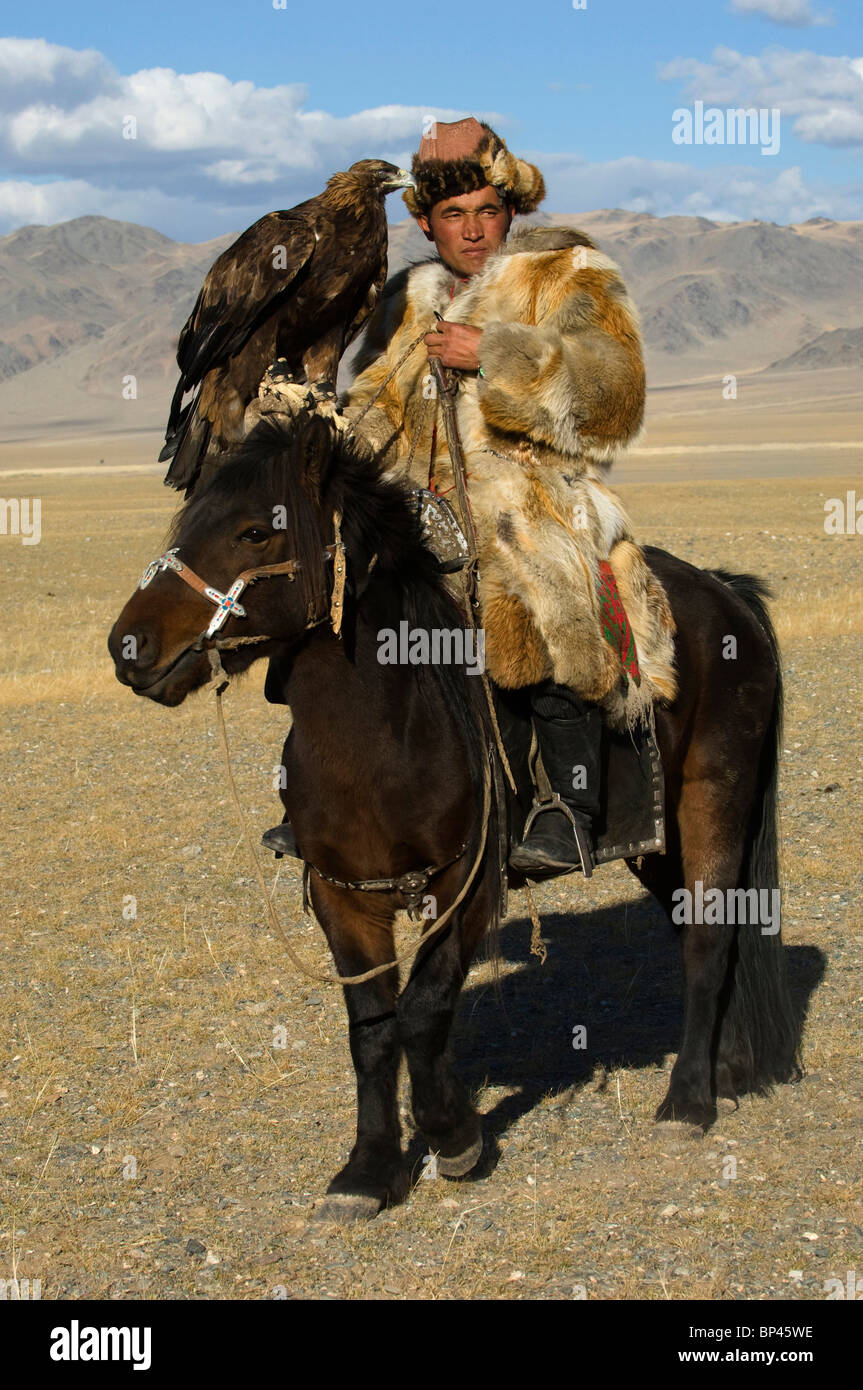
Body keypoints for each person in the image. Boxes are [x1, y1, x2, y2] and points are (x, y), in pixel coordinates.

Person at [265, 118, 666, 879]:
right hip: (425, 505)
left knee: (533, 590)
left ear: (509, 209)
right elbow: (377, 407)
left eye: (487, 211)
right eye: (453, 215)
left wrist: (496, 355)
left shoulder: (568, 273)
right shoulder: (406, 298)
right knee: (334, 597)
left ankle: (568, 808)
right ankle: (324, 793)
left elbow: (617, 395)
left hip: (540, 492)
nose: (473, 230)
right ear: (423, 221)